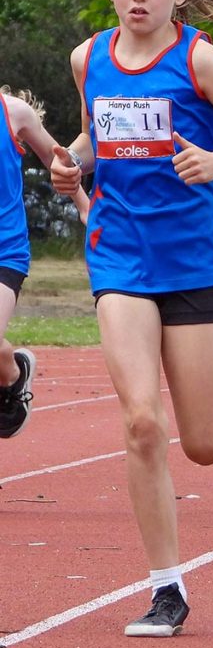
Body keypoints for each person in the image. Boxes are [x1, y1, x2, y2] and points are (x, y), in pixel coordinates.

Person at [50, 0, 213, 638]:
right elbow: (97, 135)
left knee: (206, 445)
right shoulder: (88, 57)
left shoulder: (201, 61)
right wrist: (73, 161)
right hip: (119, 252)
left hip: (192, 259)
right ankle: (166, 587)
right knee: (141, 422)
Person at [0, 87, 89, 440]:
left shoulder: (13, 112)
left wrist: (85, 206)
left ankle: (10, 373)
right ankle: (11, 369)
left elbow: (60, 161)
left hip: (4, 251)